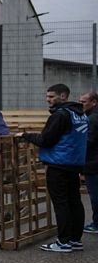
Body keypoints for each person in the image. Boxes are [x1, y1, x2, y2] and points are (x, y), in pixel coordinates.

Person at [20, 83, 87, 252]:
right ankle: (74, 239)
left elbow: (46, 140)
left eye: (51, 97)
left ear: (63, 96)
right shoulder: (79, 114)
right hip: (74, 163)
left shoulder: (60, 115)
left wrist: (25, 135)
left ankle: (63, 242)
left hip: (58, 164)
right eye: (47, 96)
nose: (47, 100)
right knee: (74, 201)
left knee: (61, 203)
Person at [80, 90, 98, 235]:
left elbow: (89, 141)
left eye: (84, 102)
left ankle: (97, 223)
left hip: (93, 164)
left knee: (95, 195)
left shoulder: (92, 119)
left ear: (94, 102)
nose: (81, 104)